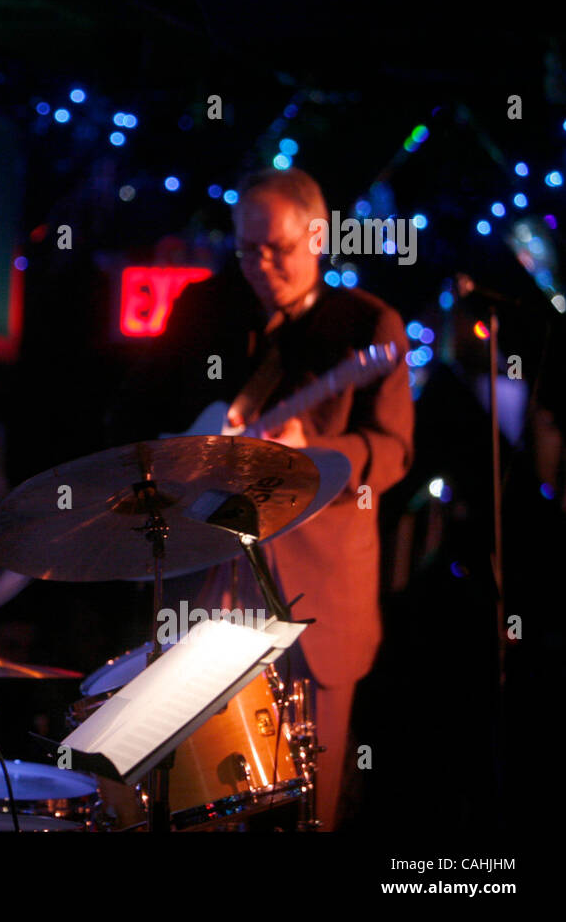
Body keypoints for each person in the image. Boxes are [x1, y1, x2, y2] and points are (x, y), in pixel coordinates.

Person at [157, 167, 413, 830]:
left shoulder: (368, 323)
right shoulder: (203, 311)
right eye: (246, 249)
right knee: (195, 800)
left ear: (319, 237)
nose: (261, 264)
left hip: (319, 595)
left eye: (278, 247)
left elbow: (394, 451)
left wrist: (322, 458)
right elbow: (133, 418)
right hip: (206, 581)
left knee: (309, 809)